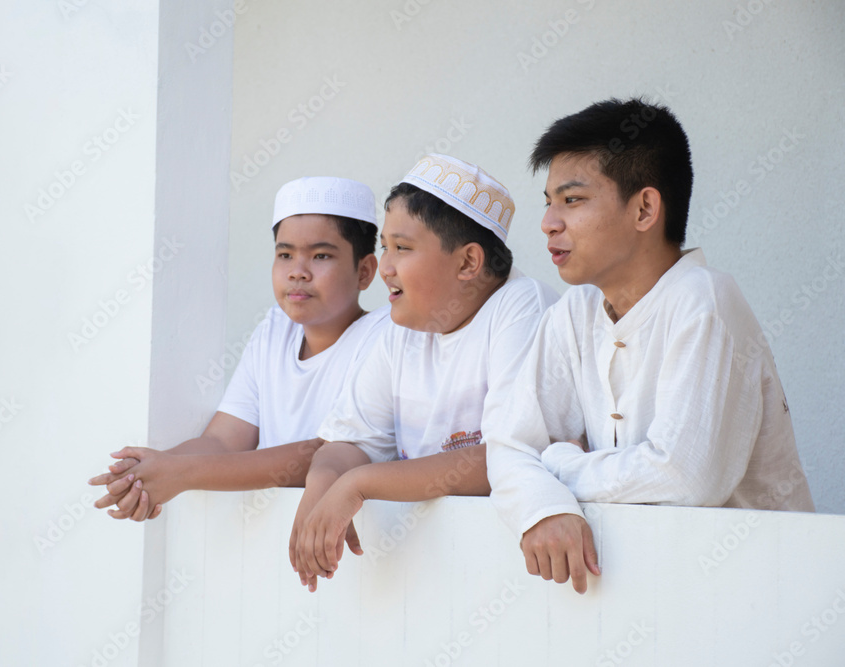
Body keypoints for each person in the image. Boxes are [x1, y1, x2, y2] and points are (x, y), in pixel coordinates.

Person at [483, 98, 815, 595]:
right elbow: (508, 445)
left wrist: (557, 465)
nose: (550, 222)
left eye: (572, 200)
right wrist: (544, 506)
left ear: (644, 209)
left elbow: (684, 477)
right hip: (649, 594)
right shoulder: (573, 313)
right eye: (548, 201)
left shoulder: (704, 300)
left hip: (761, 590)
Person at [291, 154, 560, 591]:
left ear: (469, 262)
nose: (385, 267)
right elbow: (349, 441)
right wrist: (321, 485)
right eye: (384, 246)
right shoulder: (403, 326)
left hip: (514, 580)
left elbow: (507, 455)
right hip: (429, 579)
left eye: (403, 247)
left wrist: (356, 485)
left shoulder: (522, 307)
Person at [88, 177, 390, 520]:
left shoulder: (384, 337)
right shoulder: (275, 330)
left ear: (365, 272)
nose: (297, 272)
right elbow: (223, 441)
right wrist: (151, 470)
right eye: (285, 254)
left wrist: (183, 474)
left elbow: (325, 454)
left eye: (320, 255)